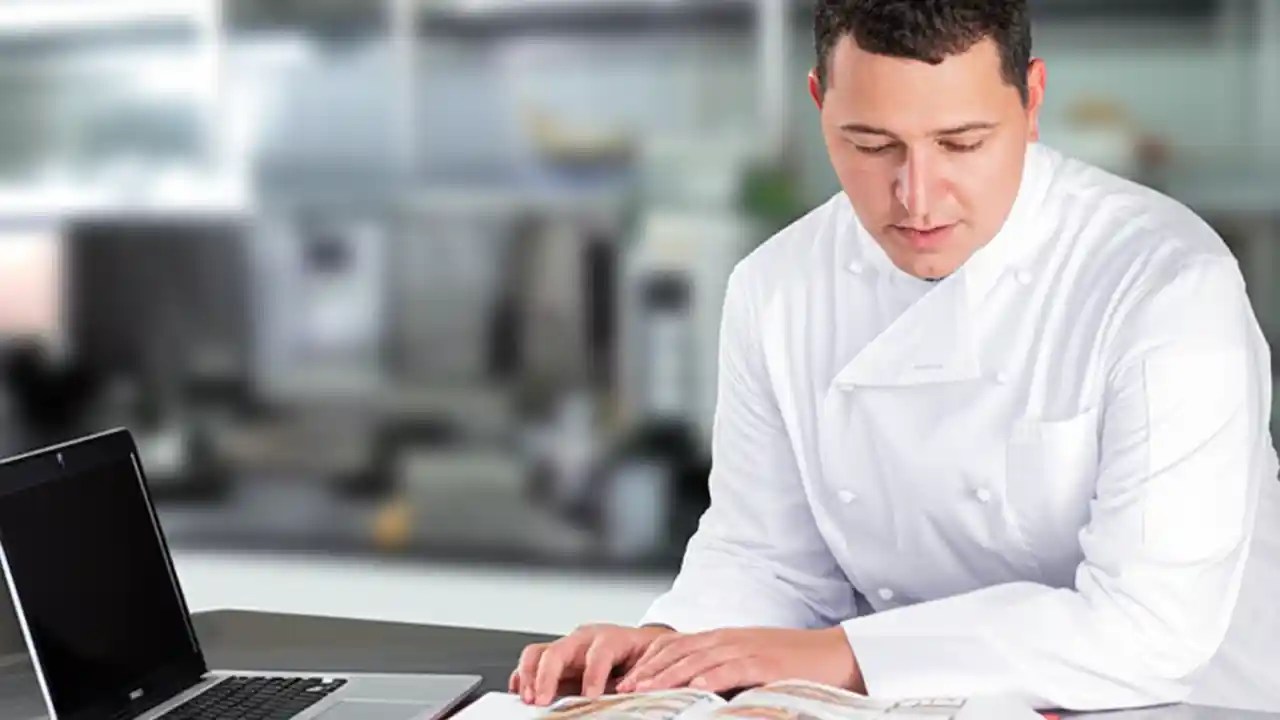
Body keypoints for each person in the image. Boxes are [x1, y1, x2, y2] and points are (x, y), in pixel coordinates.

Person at [512, 0, 1280, 712]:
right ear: (820, 105)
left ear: (1032, 102)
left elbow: (1149, 629)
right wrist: (672, 652)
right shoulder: (777, 289)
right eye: (872, 144)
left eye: (962, 143)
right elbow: (767, 559)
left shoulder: (1165, 284)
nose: (917, 196)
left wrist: (840, 655)